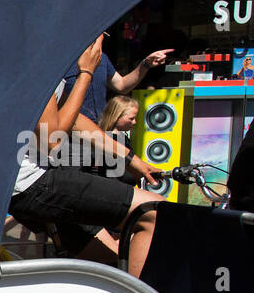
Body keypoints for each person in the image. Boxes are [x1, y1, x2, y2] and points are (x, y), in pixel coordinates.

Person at [9, 35, 162, 277]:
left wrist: (130, 159)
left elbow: (75, 120)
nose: (101, 42)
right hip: (28, 183)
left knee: (108, 265)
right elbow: (52, 139)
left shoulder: (47, 59)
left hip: (35, 178)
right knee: (153, 211)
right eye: (101, 35)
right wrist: (86, 74)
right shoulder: (40, 61)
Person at [59, 39, 172, 123]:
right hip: (70, 130)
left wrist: (145, 64)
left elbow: (122, 85)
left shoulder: (102, 59)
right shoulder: (62, 61)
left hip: (99, 128)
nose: (100, 40)